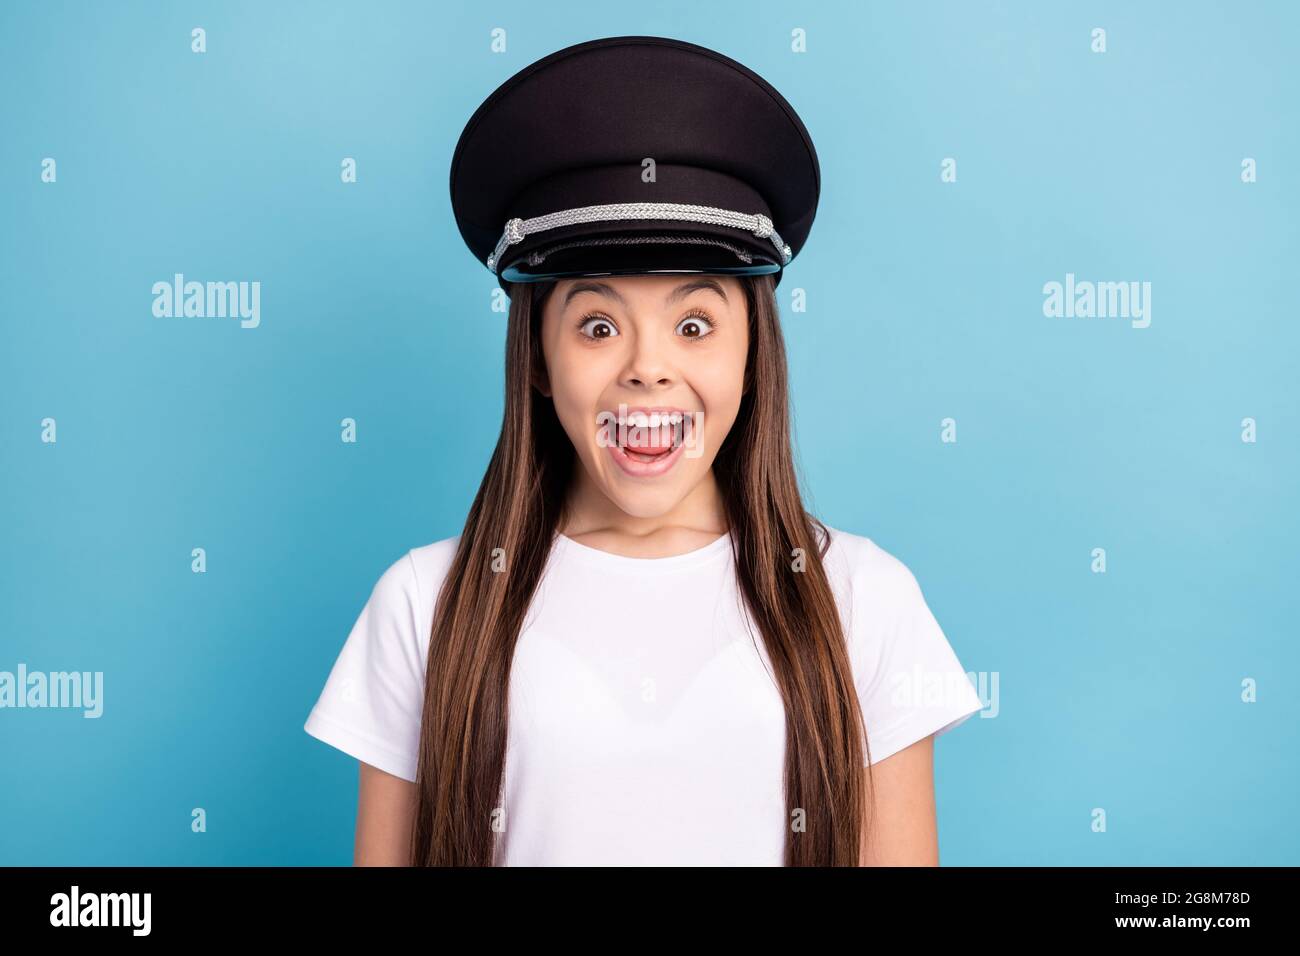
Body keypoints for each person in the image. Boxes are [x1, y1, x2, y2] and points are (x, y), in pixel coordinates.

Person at [304, 35, 983, 866]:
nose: (648, 368)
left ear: (750, 356)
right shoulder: (425, 604)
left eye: (694, 325)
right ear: (541, 363)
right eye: (597, 325)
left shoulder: (865, 600)